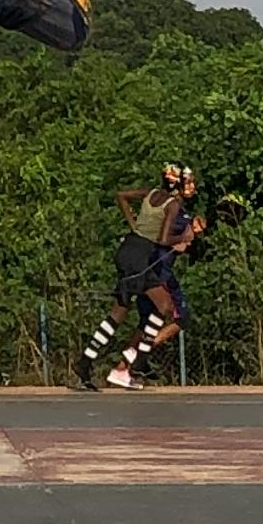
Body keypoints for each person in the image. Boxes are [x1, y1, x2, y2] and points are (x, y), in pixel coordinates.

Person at [78, 160, 204, 388]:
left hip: (128, 248)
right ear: (179, 185)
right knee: (165, 306)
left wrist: (133, 223)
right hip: (141, 257)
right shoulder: (173, 205)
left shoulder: (151, 193)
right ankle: (139, 359)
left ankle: (86, 361)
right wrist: (184, 239)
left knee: (118, 313)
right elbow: (164, 240)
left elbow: (121, 195)